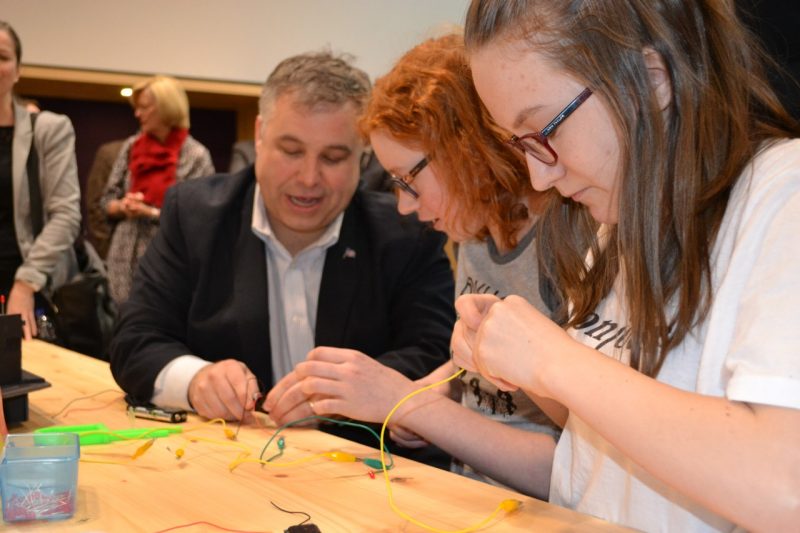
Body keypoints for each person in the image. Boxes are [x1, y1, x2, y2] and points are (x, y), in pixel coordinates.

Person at [450, 1, 800, 531]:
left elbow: (783, 486)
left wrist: (553, 361)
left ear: (652, 80)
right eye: (519, 143)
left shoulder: (783, 197)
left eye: (546, 129)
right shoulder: (619, 218)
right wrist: (520, 367)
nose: (539, 178)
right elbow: (606, 438)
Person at [109, 52, 455, 442]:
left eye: (334, 157)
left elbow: (435, 354)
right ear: (259, 135)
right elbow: (135, 340)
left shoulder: (408, 233)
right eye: (291, 151)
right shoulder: (194, 216)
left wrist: (342, 395)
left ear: (363, 153)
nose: (309, 178)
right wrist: (196, 380)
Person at [270, 34, 560, 498]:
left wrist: (408, 407)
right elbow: (478, 365)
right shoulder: (476, 232)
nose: (404, 206)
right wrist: (427, 392)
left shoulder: (567, 247)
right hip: (471, 498)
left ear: (466, 152)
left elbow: (571, 474)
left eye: (410, 181)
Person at [101, 75, 214, 305]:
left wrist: (150, 213)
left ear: (166, 108)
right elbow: (106, 201)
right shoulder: (132, 147)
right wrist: (124, 206)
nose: (137, 114)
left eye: (144, 107)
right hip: (123, 262)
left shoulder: (196, 156)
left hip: (168, 263)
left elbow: (200, 218)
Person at [0, 20, 81, 340]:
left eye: (3, 56)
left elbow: (67, 214)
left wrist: (25, 284)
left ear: (18, 70)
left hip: (32, 289)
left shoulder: (49, 129)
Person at [85, 139, 124, 259]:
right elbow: (95, 206)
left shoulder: (181, 155)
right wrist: (108, 254)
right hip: (117, 254)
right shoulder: (113, 153)